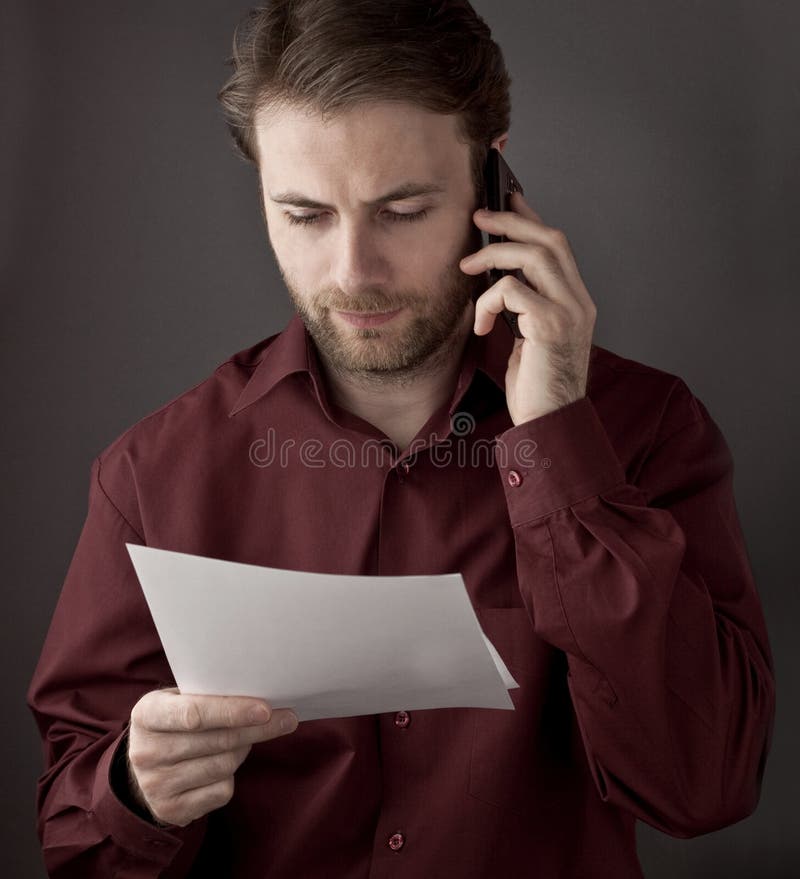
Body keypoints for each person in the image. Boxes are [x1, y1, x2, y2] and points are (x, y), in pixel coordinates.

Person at [27, 1, 776, 877]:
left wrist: (561, 449)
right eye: (305, 215)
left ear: (493, 186)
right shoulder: (153, 474)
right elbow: (72, 843)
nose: (353, 272)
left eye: (404, 209)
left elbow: (705, 787)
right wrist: (134, 784)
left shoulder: (647, 431)